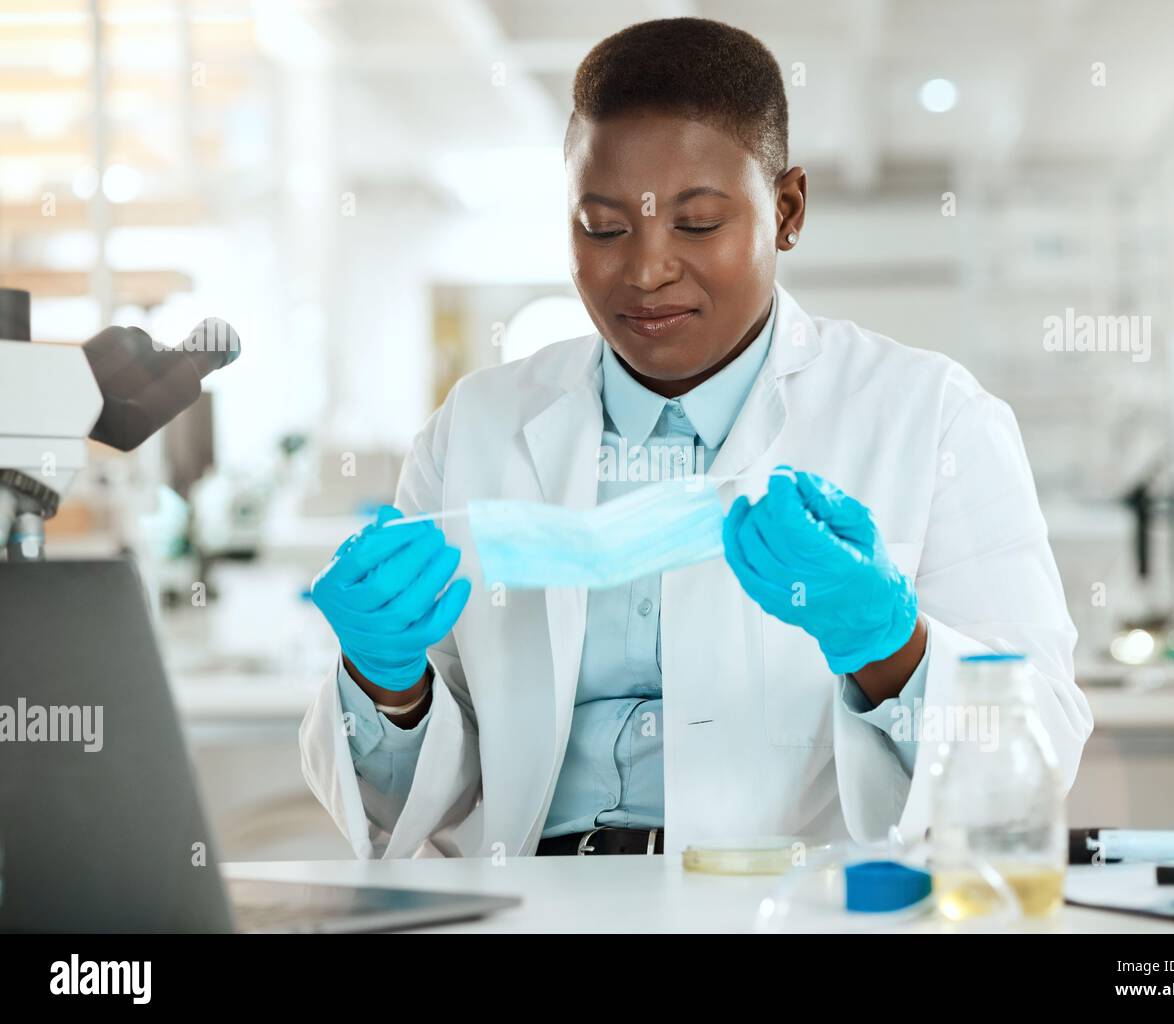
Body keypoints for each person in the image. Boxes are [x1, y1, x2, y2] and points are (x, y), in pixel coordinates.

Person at [301, 17, 1091, 859]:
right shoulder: (478, 427)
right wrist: (384, 684)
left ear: (786, 211)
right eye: (603, 228)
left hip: (797, 906)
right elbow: (414, 805)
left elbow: (1039, 749)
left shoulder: (931, 415)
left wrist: (892, 646)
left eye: (698, 223)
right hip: (534, 903)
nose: (644, 271)